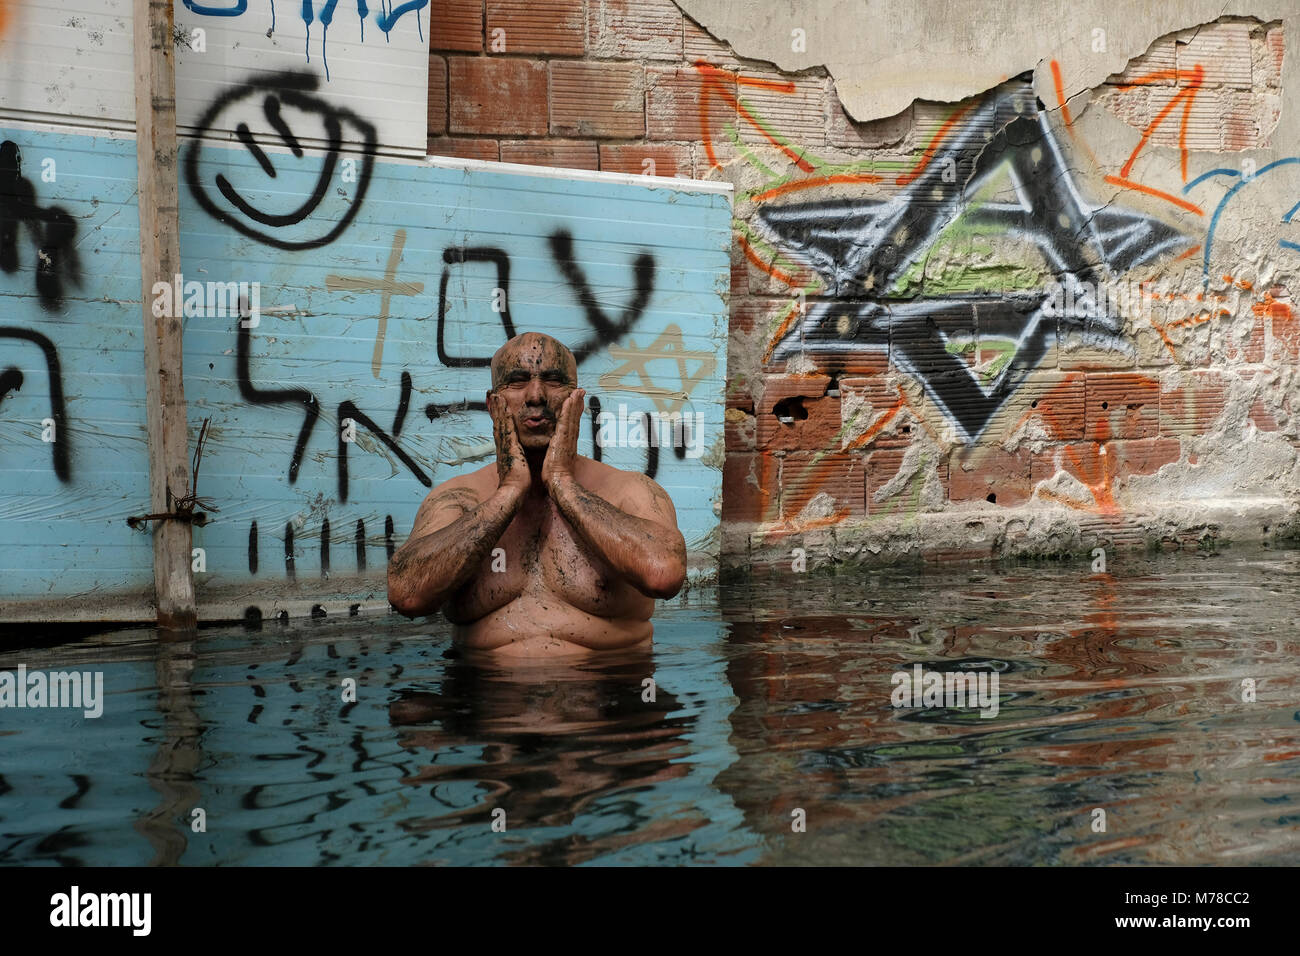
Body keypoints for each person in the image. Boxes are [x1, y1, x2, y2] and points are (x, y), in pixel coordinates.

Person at [388, 332, 687, 657]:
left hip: (612, 692)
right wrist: (509, 492)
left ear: (577, 402)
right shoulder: (458, 499)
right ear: (492, 404)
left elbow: (664, 574)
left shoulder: (628, 490)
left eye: (554, 381)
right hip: (478, 696)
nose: (536, 396)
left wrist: (563, 484)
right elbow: (407, 595)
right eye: (517, 382)